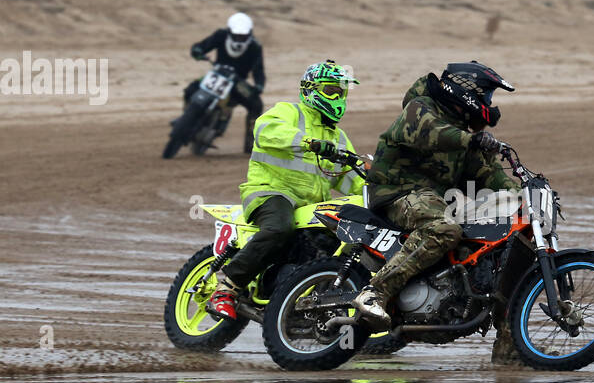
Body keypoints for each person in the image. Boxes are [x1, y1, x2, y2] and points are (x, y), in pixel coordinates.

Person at [351, 62, 524, 365]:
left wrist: (525, 197)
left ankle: (510, 348)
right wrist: (473, 140)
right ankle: (375, 293)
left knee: (504, 246)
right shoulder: (421, 108)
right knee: (444, 230)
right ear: (467, 90)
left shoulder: (467, 137)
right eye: (486, 95)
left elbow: (490, 176)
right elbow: (432, 133)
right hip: (398, 192)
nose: (488, 104)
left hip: (435, 201)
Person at [208, 60, 363, 322]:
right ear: (310, 89)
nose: (338, 97)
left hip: (310, 208)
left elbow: (351, 176)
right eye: (331, 90)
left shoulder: (337, 137)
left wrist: (379, 186)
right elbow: (266, 130)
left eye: (341, 92)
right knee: (279, 228)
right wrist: (308, 143)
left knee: (340, 241)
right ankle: (227, 288)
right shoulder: (289, 112)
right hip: (271, 192)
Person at [184, 13, 267, 153]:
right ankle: (186, 118)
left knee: (256, 104)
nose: (239, 39)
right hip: (216, 75)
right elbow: (203, 46)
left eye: (243, 36)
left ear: (249, 34)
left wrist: (259, 85)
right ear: (229, 32)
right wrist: (197, 50)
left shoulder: (255, 46)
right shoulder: (220, 35)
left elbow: (258, 69)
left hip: (238, 83)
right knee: (190, 90)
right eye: (236, 36)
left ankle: (251, 142)